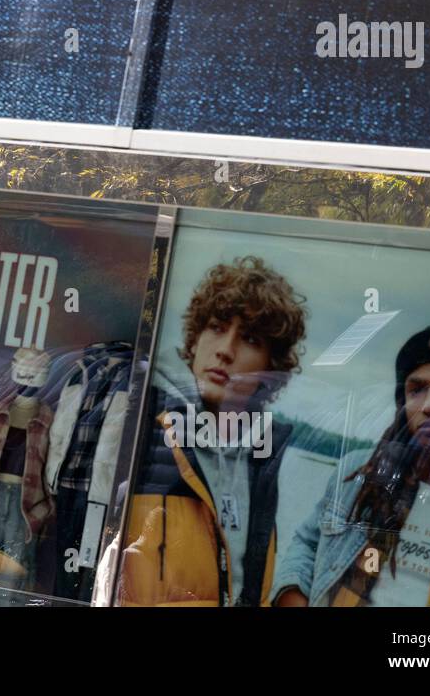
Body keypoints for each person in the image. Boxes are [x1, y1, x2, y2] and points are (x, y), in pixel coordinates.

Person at [116, 256, 307, 606]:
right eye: (217, 327)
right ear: (196, 337)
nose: (225, 350)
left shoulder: (262, 457)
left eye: (249, 339)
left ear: (270, 365)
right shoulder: (143, 428)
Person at [271, 323, 430, 607]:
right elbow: (308, 541)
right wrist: (292, 597)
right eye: (416, 390)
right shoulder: (361, 473)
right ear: (402, 403)